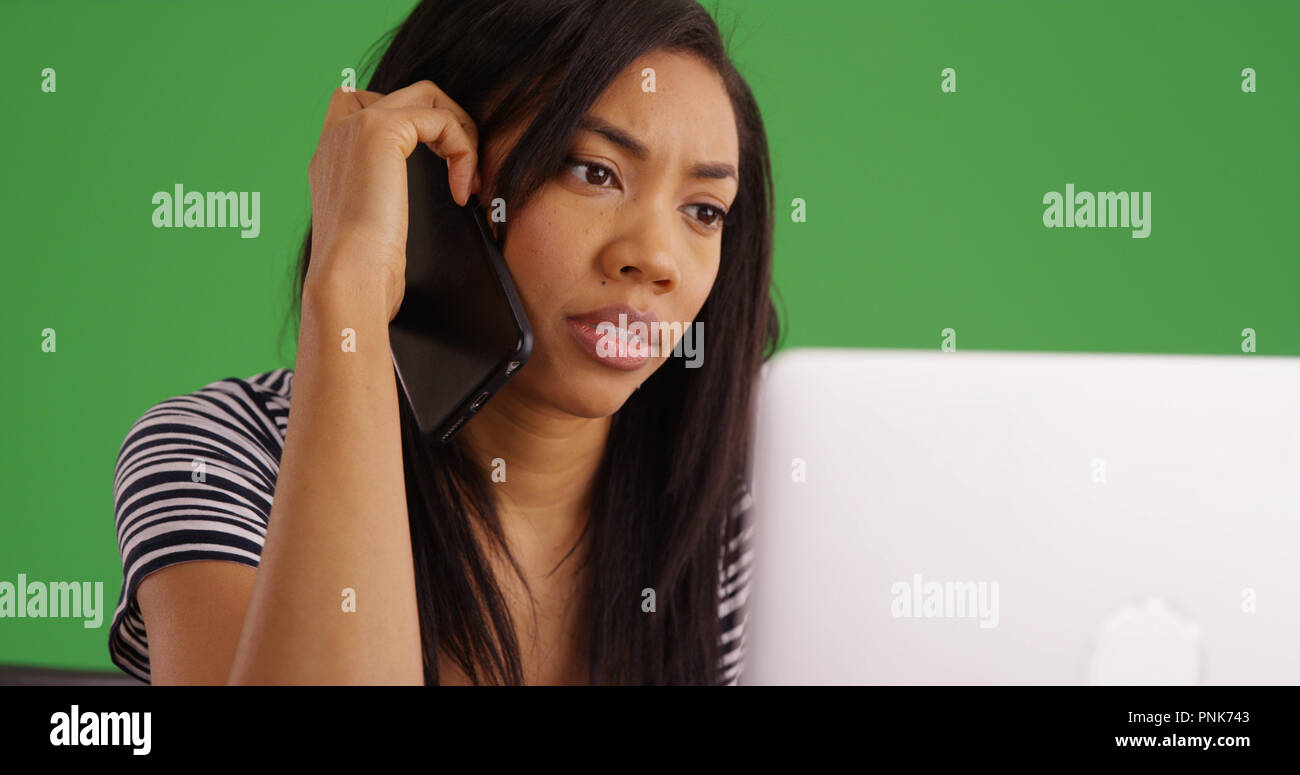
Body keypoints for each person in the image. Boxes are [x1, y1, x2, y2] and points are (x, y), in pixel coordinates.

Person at [109, 0, 779, 685]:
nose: (658, 258)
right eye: (593, 170)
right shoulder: (220, 456)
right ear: (431, 176)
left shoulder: (734, 518)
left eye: (704, 211)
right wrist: (350, 289)